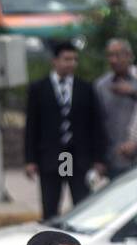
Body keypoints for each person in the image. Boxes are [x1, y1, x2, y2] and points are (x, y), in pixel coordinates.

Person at [24, 43, 108, 220]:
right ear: (55, 61)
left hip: (77, 156)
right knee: (50, 205)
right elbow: (32, 125)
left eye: (74, 59)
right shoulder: (39, 88)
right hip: (51, 156)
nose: (71, 64)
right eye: (67, 59)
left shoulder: (85, 88)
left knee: (82, 202)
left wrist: (99, 158)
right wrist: (30, 159)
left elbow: (95, 125)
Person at [94, 39, 137, 178]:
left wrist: (134, 92)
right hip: (113, 159)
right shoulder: (101, 85)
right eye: (110, 55)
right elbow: (96, 124)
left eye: (118, 55)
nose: (113, 60)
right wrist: (98, 159)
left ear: (129, 56)